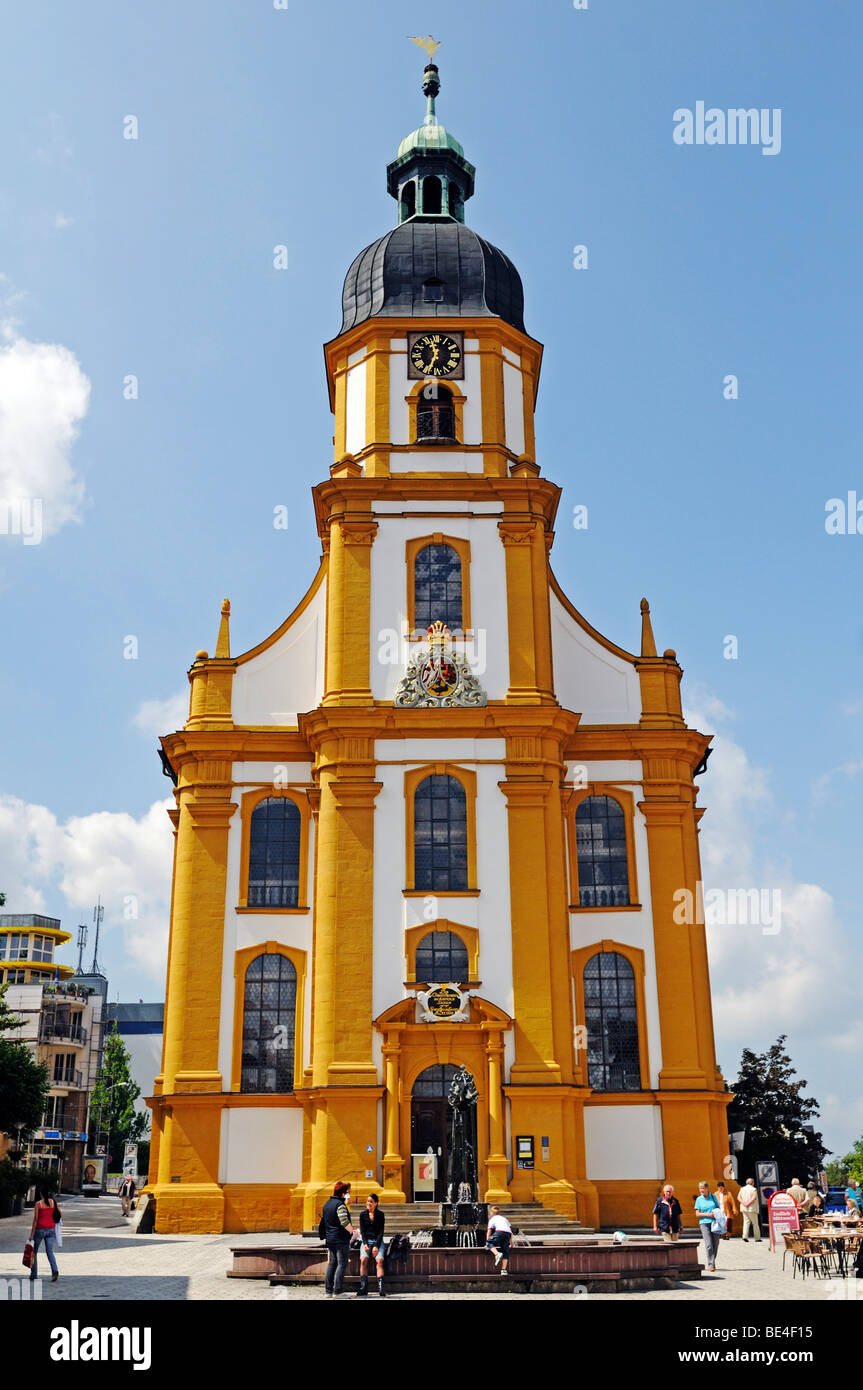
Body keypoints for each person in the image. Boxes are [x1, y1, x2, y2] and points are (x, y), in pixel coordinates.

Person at [321, 1181, 357, 1297]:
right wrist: (353, 1231)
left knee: (332, 1263)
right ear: (343, 1193)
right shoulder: (339, 1205)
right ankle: (338, 1291)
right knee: (342, 1263)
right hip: (340, 1239)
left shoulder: (327, 1204)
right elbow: (344, 1221)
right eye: (347, 1193)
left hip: (330, 1238)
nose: (348, 1195)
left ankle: (328, 1291)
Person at [29, 1185, 61, 1282]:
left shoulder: (38, 1204)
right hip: (51, 1230)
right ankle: (54, 1271)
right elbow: (60, 1214)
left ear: (41, 1194)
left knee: (33, 1252)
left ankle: (34, 1275)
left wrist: (31, 1234)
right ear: (48, 1193)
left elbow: (35, 1220)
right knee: (50, 1251)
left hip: (40, 1230)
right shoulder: (53, 1202)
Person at [356, 1193, 386, 1298]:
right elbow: (362, 1232)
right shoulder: (362, 1215)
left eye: (371, 1201)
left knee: (379, 1261)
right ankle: (364, 1288)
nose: (369, 1203)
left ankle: (381, 1288)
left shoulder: (380, 1215)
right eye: (368, 1201)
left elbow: (381, 1232)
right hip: (366, 1241)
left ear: (376, 1203)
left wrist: (376, 1246)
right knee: (363, 1260)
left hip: (377, 1241)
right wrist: (365, 1244)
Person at [695, 1181, 721, 1272]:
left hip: (715, 1223)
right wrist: (708, 1214)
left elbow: (718, 1208)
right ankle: (711, 1264)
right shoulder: (699, 1199)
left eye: (703, 1188)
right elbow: (697, 1214)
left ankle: (712, 1260)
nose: (701, 1190)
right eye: (700, 1189)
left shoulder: (713, 1197)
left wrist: (716, 1213)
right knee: (709, 1245)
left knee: (716, 1243)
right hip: (704, 1223)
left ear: (707, 1188)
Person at [485, 1205, 513, 1275]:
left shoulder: (492, 1219)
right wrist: (511, 1243)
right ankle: (503, 1270)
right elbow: (510, 1231)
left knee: (489, 1243)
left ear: (491, 1214)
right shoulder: (504, 1219)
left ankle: (497, 1254)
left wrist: (487, 1243)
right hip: (508, 1234)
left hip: (499, 1232)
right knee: (505, 1251)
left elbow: (489, 1232)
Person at [737, 1178, 761, 1242]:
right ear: (753, 1183)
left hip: (744, 1208)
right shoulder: (754, 1189)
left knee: (746, 1222)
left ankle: (745, 1236)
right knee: (755, 1223)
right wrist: (748, 1204)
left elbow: (738, 1197)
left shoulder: (742, 1189)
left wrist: (744, 1203)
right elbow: (754, 1198)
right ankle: (757, 1238)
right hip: (752, 1209)